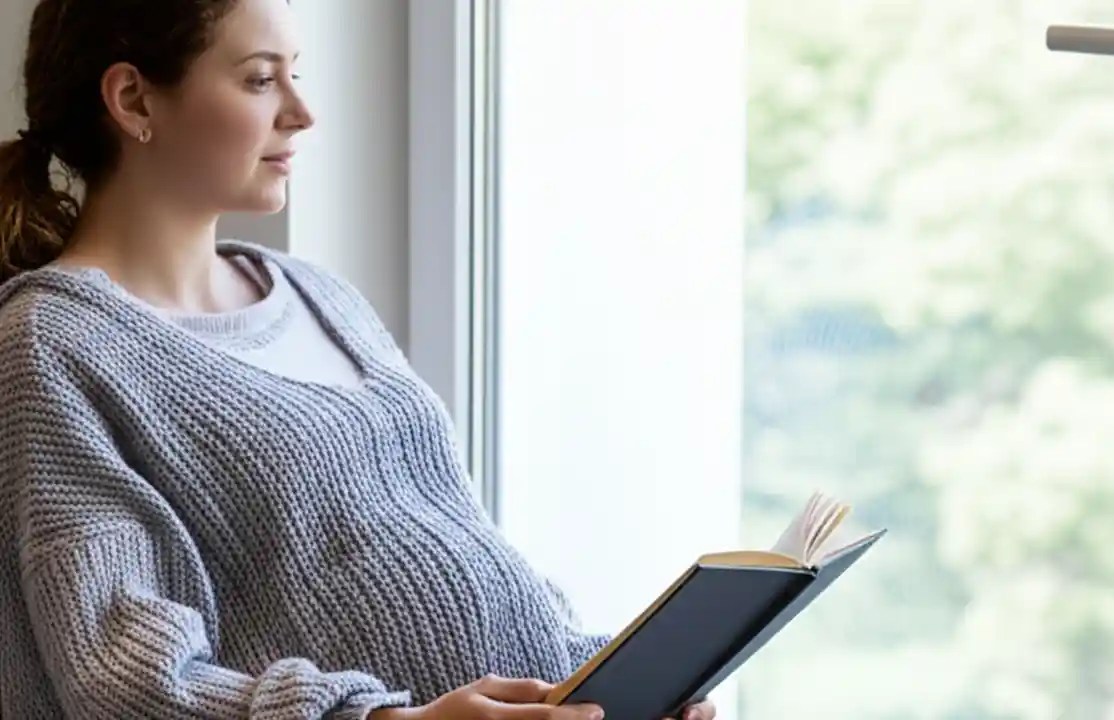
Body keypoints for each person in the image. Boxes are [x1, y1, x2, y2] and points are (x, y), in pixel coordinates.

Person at [0, 1, 718, 719]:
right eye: (259, 80)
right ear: (132, 98)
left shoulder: (320, 296)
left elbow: (461, 549)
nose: (303, 112)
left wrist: (598, 680)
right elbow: (118, 672)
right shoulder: (52, 347)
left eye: (298, 76)